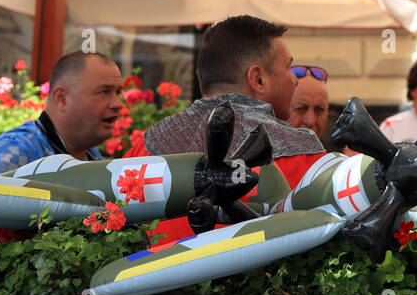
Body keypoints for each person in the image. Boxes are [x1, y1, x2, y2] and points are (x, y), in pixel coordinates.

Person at [131, 16, 323, 189]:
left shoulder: (144, 150)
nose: (294, 80)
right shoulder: (301, 154)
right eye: (288, 67)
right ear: (258, 79)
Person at [0, 52, 121, 174]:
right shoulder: (15, 150)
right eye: (104, 92)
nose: (117, 104)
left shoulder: (90, 155)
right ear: (62, 99)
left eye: (118, 92)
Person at [288, 64, 330, 145]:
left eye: (319, 109)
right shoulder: (262, 155)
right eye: (300, 109)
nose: (311, 121)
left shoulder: (341, 156)